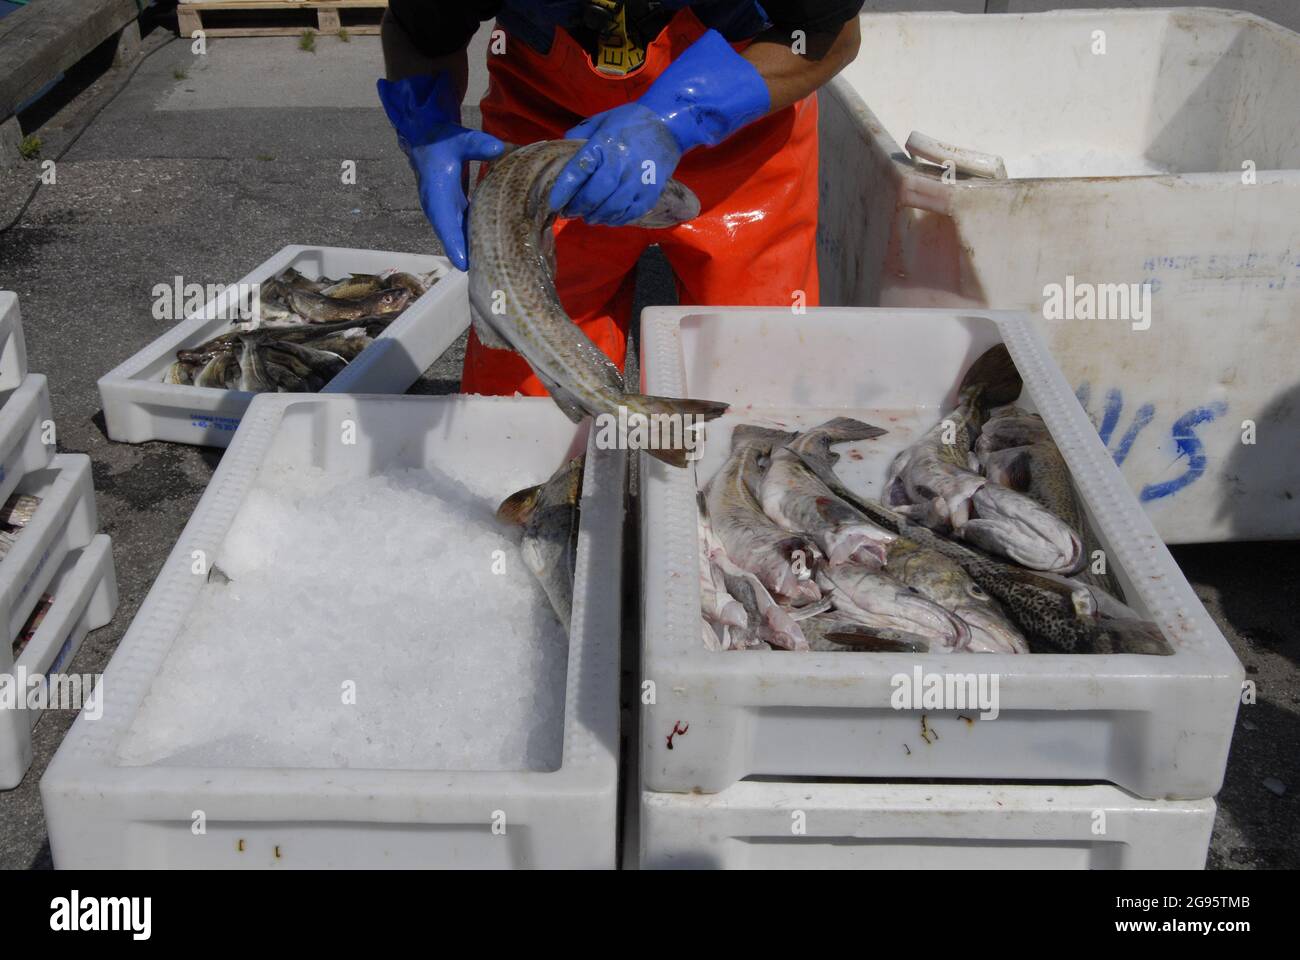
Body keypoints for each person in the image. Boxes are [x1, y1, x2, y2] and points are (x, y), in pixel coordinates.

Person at [378, 0, 864, 396]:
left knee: (758, 387)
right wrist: (425, 125)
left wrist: (676, 117)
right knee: (526, 383)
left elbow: (830, 36)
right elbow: (420, 34)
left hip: (742, 123)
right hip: (547, 135)